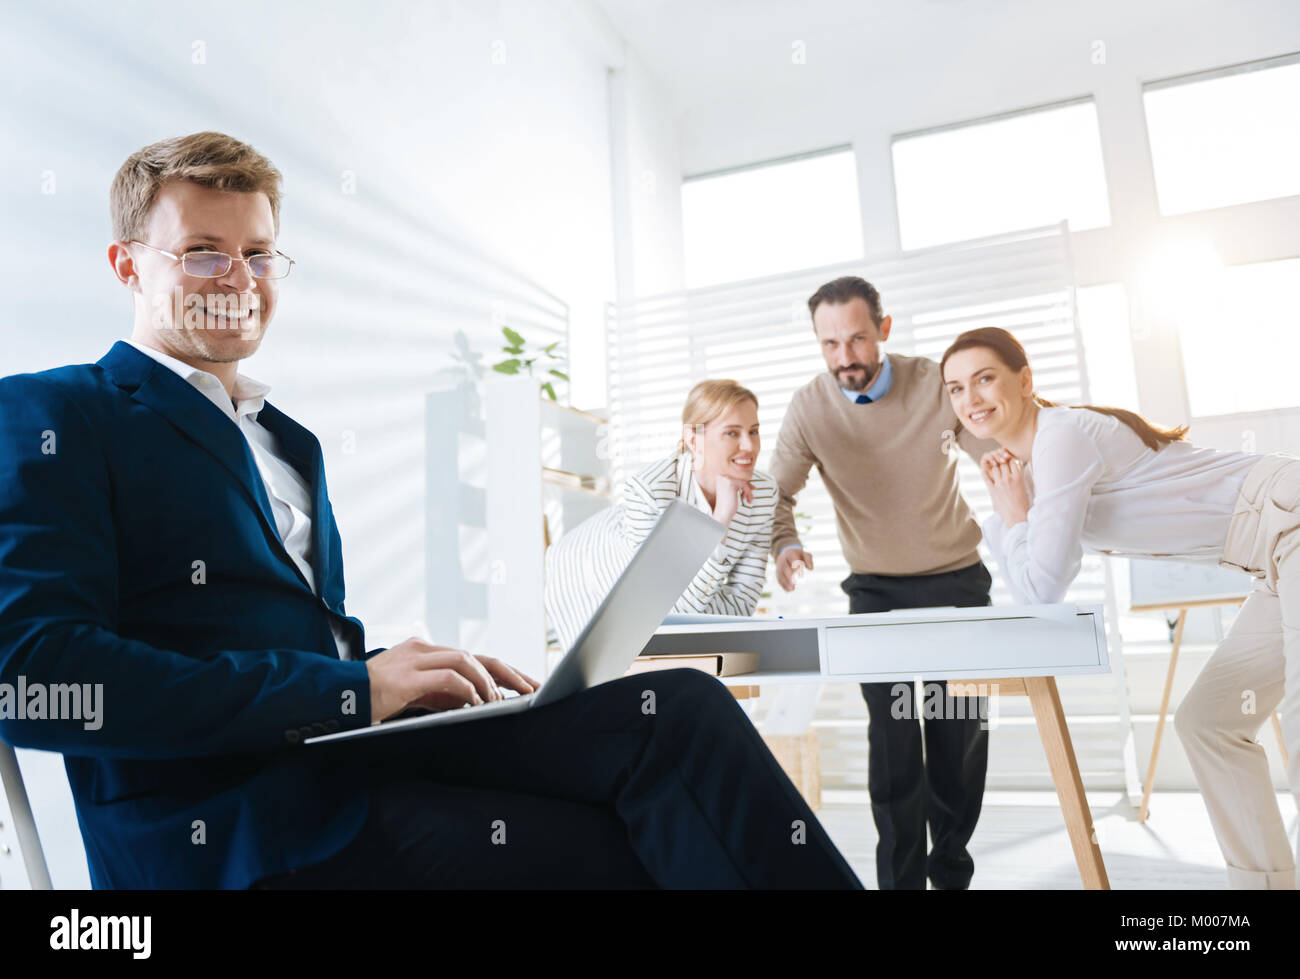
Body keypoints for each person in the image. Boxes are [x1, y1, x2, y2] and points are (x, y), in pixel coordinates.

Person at [0, 131, 862, 890]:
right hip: (230, 828)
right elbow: (34, 679)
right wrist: (350, 688)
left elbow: (279, 647)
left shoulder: (287, 441)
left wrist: (405, 680)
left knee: (676, 711)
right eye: (201, 252)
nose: (238, 278)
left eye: (259, 254)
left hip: (342, 759)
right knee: (607, 844)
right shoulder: (59, 414)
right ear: (127, 266)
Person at [942, 325, 1300, 890]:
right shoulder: (1033, 472)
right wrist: (1011, 510)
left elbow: (1041, 590)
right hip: (1274, 558)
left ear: (1025, 379)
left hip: (1291, 517)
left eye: (984, 379)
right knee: (1209, 722)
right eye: (956, 389)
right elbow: (1031, 591)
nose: (971, 399)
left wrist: (1014, 516)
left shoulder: (1061, 435)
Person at [767, 275, 1000, 890]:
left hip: (958, 585)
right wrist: (785, 545)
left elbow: (1000, 449)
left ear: (885, 330)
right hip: (875, 593)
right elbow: (775, 497)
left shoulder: (935, 384)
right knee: (894, 745)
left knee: (958, 738)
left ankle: (951, 876)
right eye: (830, 344)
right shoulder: (810, 407)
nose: (846, 357)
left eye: (858, 339)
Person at [544, 379, 777, 652]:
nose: (749, 446)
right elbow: (658, 608)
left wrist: (686, 609)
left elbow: (741, 604)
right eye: (732, 433)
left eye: (754, 431)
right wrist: (720, 520)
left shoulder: (762, 493)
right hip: (583, 578)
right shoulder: (651, 492)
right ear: (693, 440)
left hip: (648, 609)